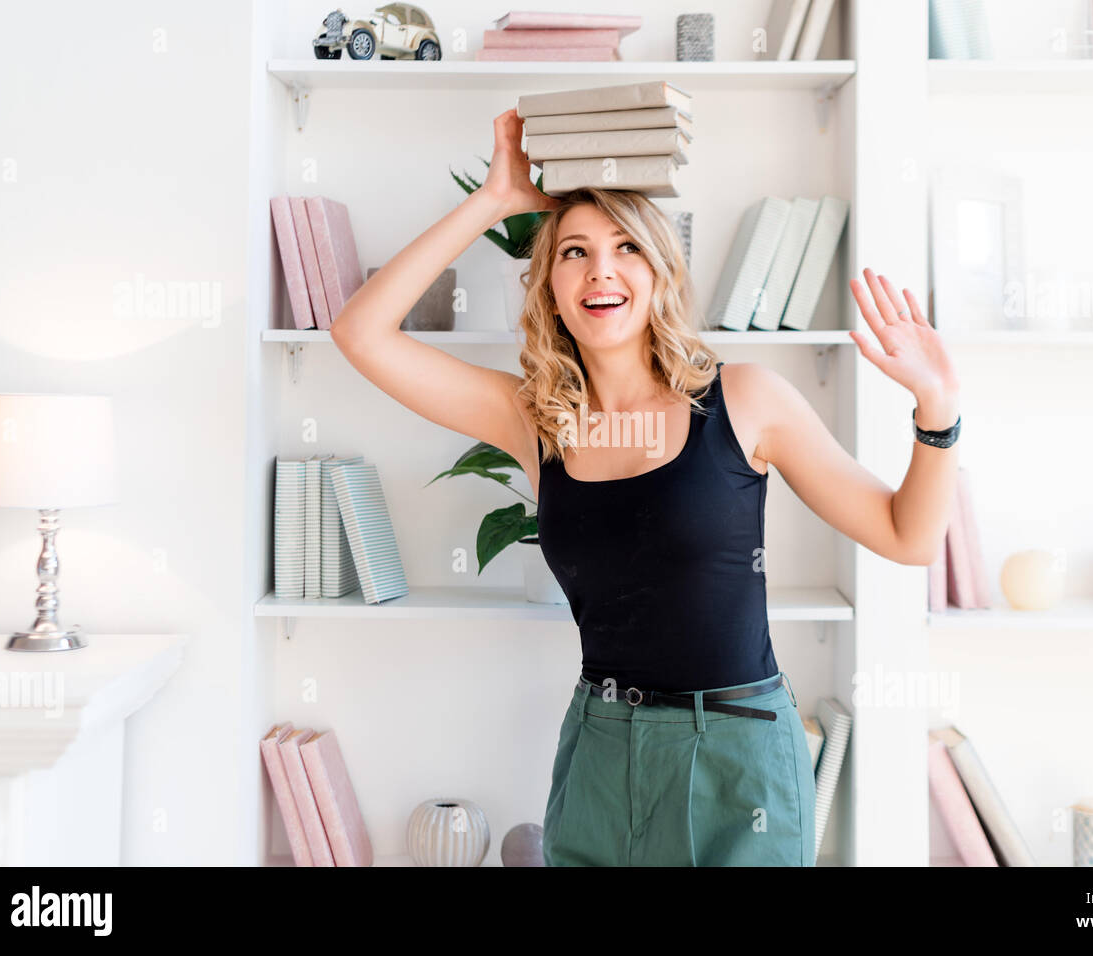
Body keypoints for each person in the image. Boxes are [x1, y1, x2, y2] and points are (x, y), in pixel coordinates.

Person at [330, 108, 962, 866]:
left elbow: (908, 535)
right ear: (550, 289)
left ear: (659, 272)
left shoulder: (745, 400)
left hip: (737, 758)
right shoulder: (536, 420)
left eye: (627, 247)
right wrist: (495, 198)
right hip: (600, 749)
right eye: (575, 252)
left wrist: (938, 411)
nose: (601, 270)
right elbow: (360, 334)